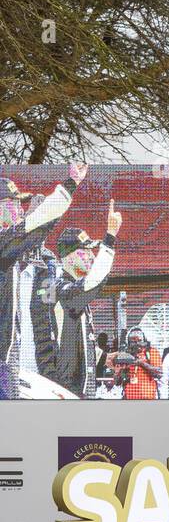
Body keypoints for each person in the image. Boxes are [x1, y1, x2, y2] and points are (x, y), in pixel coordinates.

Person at [0, 165, 88, 398]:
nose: (21, 209)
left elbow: (39, 226)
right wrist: (70, 184)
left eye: (21, 203)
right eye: (14, 203)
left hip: (17, 364)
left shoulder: (38, 262)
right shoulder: (5, 246)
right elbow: (37, 224)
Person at [32, 207, 122, 398]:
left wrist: (105, 358)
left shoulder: (71, 291)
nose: (91, 256)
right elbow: (92, 282)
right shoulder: (59, 290)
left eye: (92, 251)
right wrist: (110, 238)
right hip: (62, 391)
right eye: (85, 251)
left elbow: (74, 341)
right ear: (68, 257)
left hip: (77, 391)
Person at [111, 326, 163, 399]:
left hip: (148, 398)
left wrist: (142, 363)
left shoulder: (151, 352)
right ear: (128, 343)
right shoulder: (126, 355)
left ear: (144, 340)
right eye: (133, 341)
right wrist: (118, 372)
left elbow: (159, 373)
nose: (137, 343)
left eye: (139, 340)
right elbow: (117, 382)